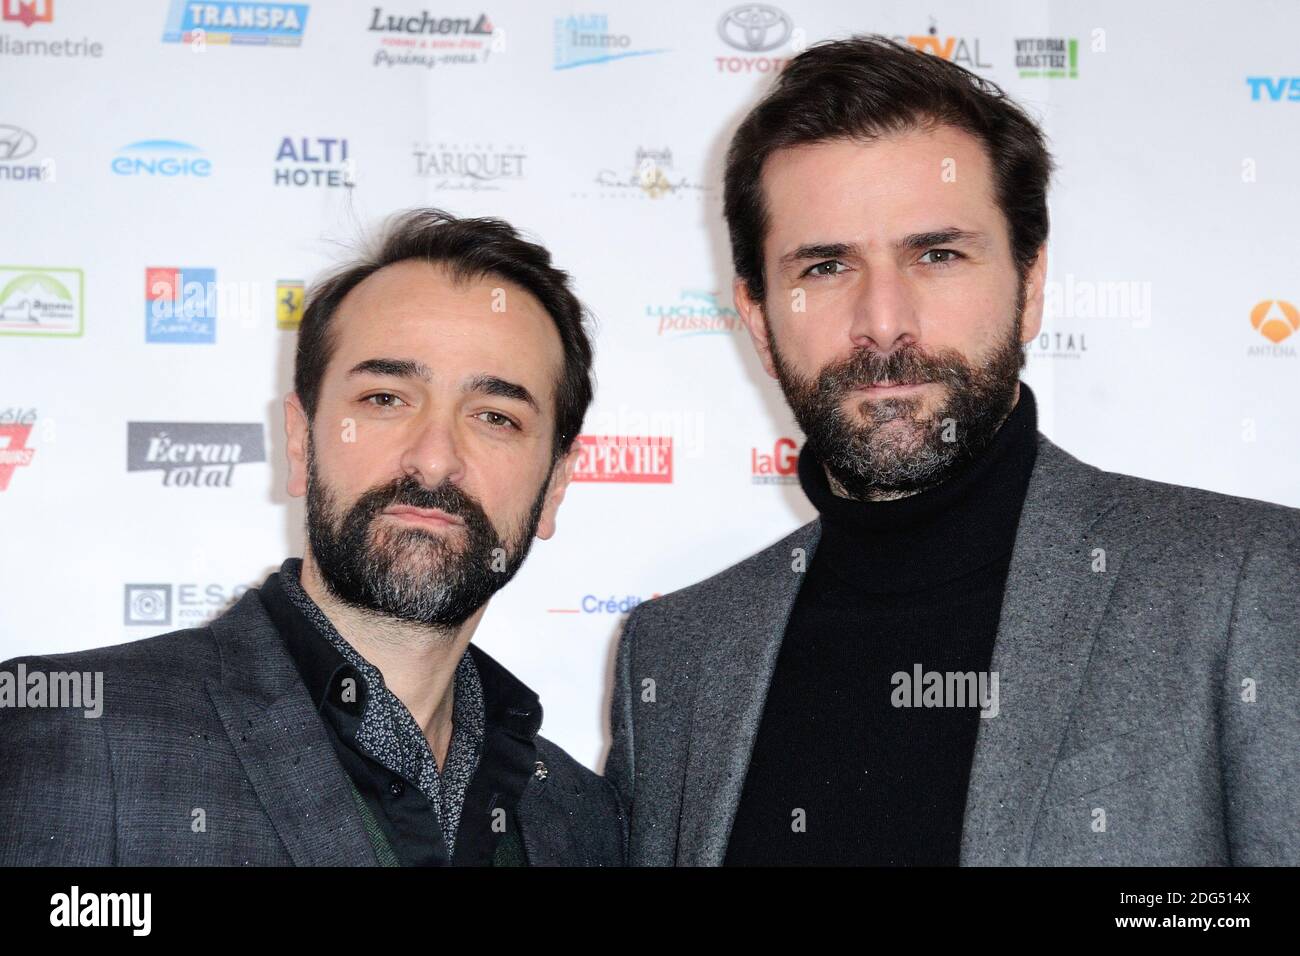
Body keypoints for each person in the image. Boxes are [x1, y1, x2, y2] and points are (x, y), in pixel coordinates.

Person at [606, 34, 1300, 866]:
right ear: (757, 317)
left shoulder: (1246, 583)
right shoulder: (677, 654)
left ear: (1031, 284)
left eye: (937, 255)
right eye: (825, 266)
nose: (884, 321)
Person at [0, 209, 624, 866]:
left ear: (555, 484)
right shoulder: (68, 736)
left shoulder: (579, 819)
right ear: (300, 440)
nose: (434, 459)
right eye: (386, 398)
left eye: (496, 416)